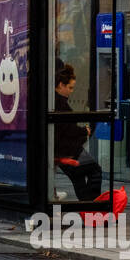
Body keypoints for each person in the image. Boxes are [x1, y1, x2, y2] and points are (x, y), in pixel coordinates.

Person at [54, 63, 102, 200]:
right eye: (70, 87)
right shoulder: (60, 104)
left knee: (78, 176)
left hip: (61, 149)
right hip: (67, 150)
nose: (71, 91)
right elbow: (68, 130)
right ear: (60, 85)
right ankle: (92, 207)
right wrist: (84, 131)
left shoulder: (54, 100)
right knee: (95, 171)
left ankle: (87, 207)